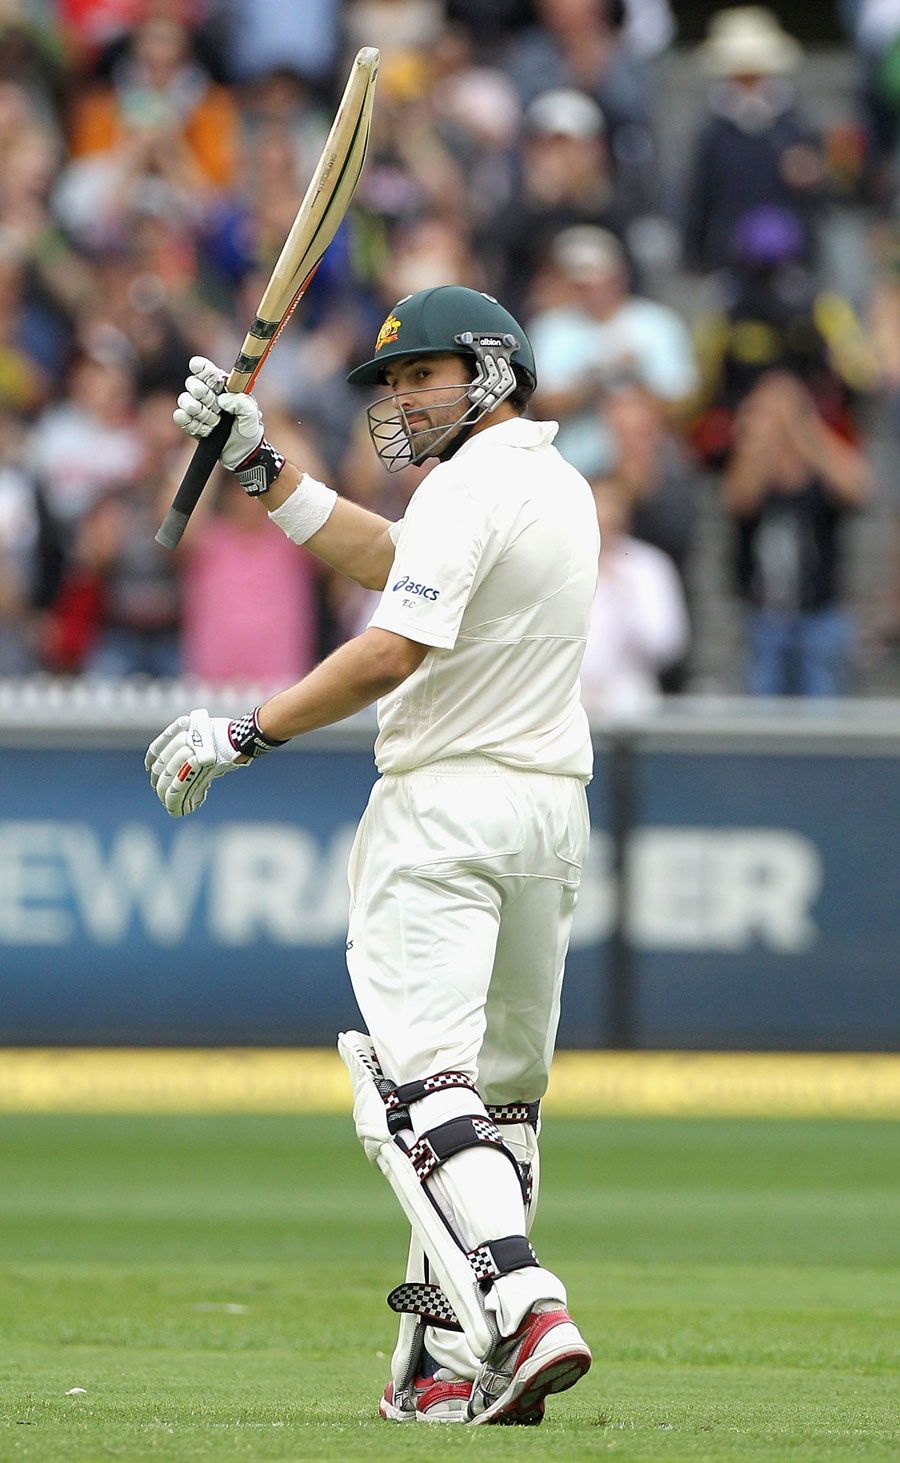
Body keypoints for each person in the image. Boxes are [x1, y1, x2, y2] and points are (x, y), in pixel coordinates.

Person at [145, 285, 598, 1424]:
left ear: (490, 370)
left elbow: (391, 647)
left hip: (442, 808)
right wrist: (265, 472)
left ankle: (525, 1300)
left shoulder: (466, 485)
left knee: (420, 1093)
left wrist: (246, 730)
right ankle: (454, 1361)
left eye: (422, 376)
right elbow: (396, 558)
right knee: (501, 1102)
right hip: (546, 819)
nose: (400, 398)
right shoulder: (554, 481)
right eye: (392, 381)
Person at [723, 372, 871, 696]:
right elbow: (738, 498)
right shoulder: (751, 465)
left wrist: (804, 427)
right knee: (760, 721)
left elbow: (859, 488)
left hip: (819, 616)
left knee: (823, 718)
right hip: (762, 618)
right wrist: (764, 437)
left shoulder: (819, 468)